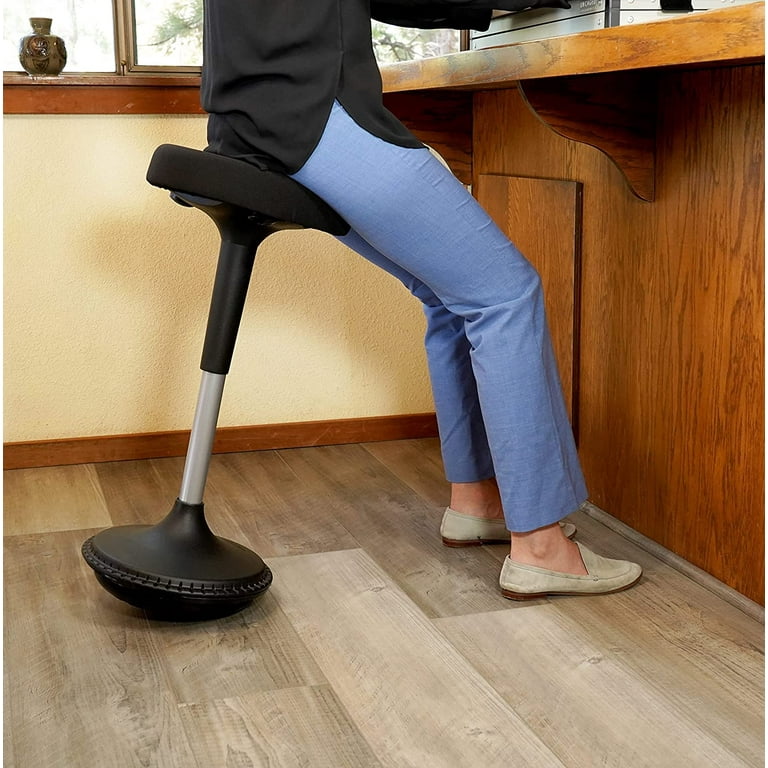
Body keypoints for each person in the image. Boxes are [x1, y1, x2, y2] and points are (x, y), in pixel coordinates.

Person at [200, 0, 642, 599]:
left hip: (250, 124)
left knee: (448, 293)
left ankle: (476, 499)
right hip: (316, 116)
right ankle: (541, 546)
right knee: (504, 295)